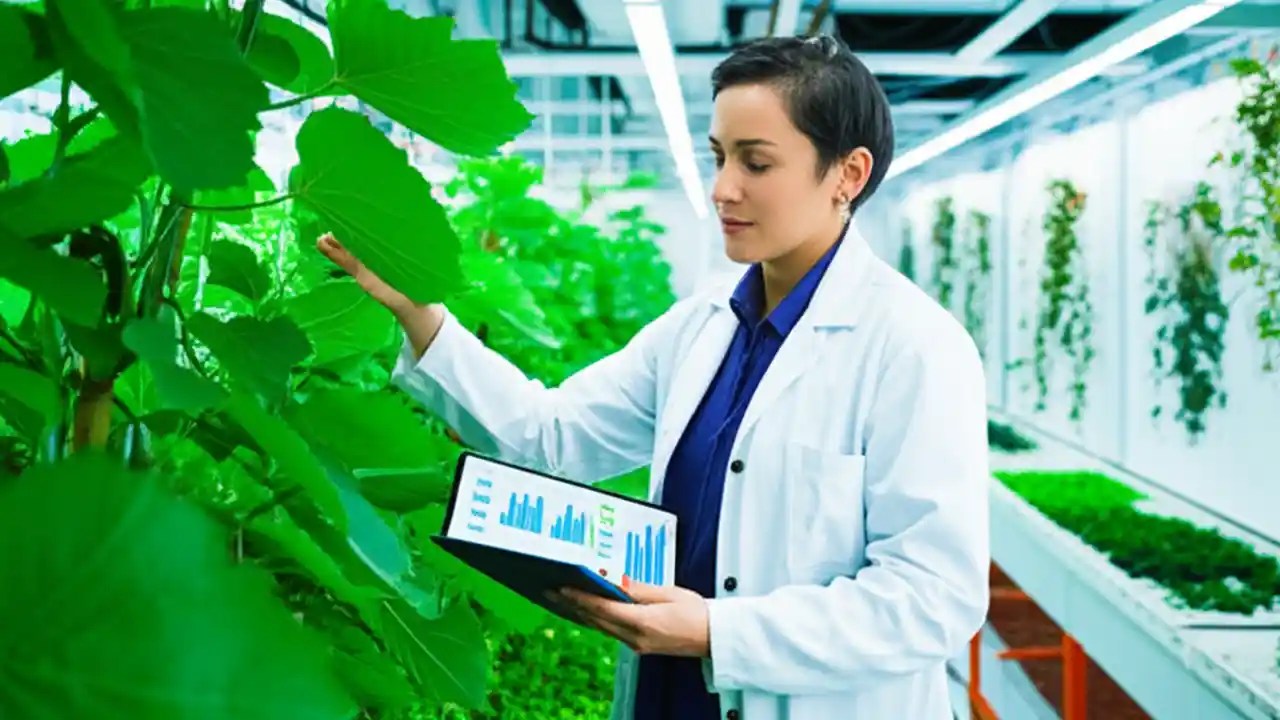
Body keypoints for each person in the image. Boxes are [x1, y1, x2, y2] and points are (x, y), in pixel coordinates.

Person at [318, 33, 990, 720]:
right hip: (669, 696)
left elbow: (932, 596)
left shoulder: (915, 348)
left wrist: (716, 632)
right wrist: (419, 311)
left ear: (848, 173)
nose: (723, 189)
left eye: (756, 163)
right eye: (719, 157)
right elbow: (552, 436)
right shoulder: (701, 325)